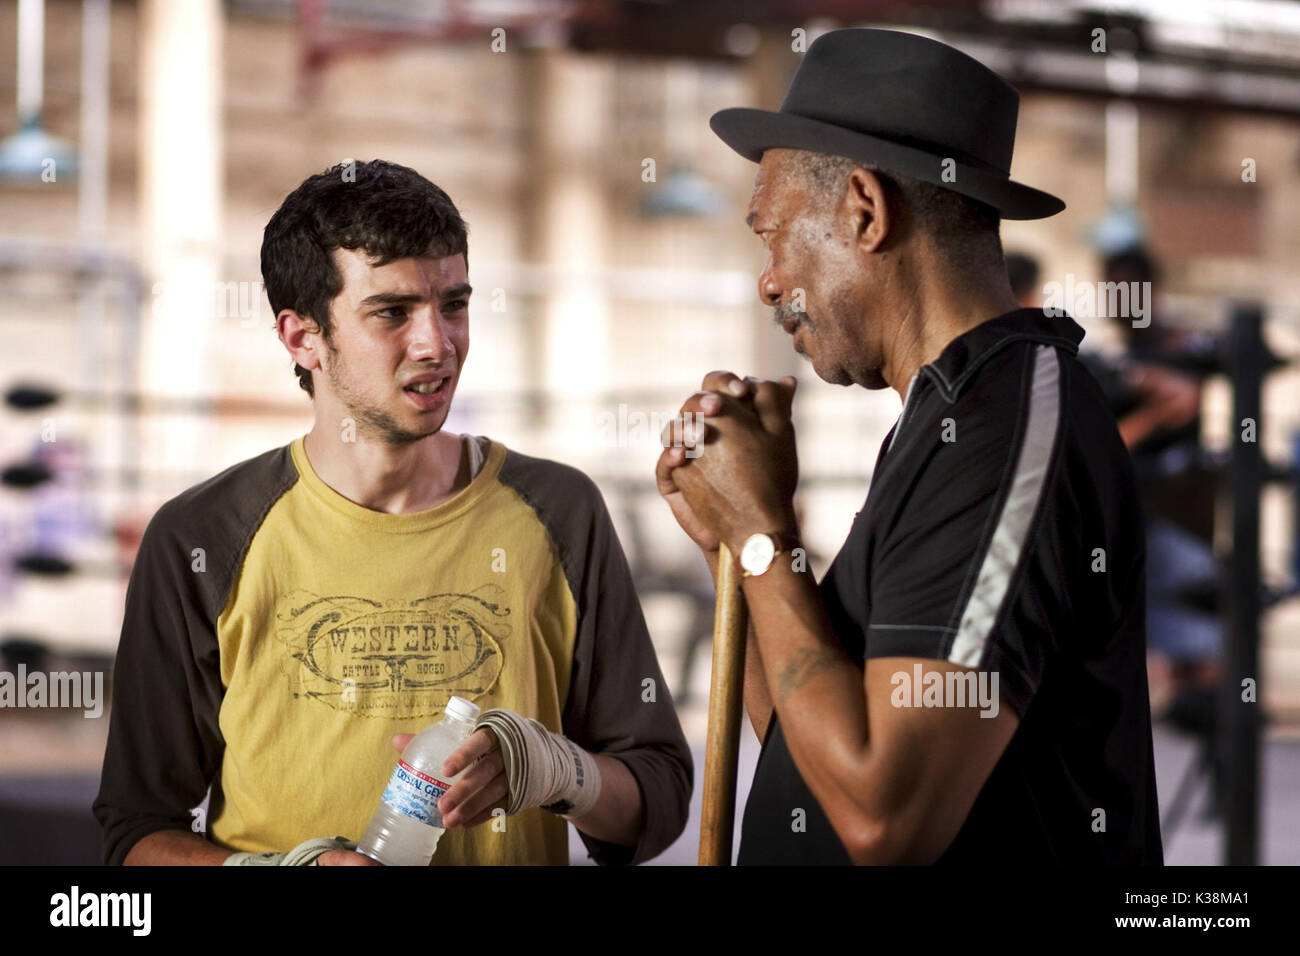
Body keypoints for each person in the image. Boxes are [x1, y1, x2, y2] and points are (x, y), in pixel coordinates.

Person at [656, 28, 1163, 864]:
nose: (770, 281)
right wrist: (735, 544)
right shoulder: (945, 420)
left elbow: (885, 816)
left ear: (865, 209)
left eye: (773, 234)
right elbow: (808, 745)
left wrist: (759, 535)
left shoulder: (1008, 425)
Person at [94, 159, 691, 866]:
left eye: (454, 305)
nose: (436, 344)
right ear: (301, 337)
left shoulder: (560, 511)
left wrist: (556, 770)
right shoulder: (202, 536)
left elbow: (660, 801)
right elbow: (135, 833)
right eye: (392, 312)